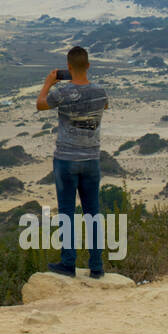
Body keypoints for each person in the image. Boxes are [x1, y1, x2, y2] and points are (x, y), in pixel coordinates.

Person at [36, 46, 109, 278]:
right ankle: (96, 266)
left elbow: (40, 104)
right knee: (93, 213)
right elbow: (104, 106)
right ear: (88, 66)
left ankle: (68, 263)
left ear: (68, 68)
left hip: (66, 160)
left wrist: (49, 83)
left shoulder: (62, 93)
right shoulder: (100, 92)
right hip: (91, 159)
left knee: (67, 212)